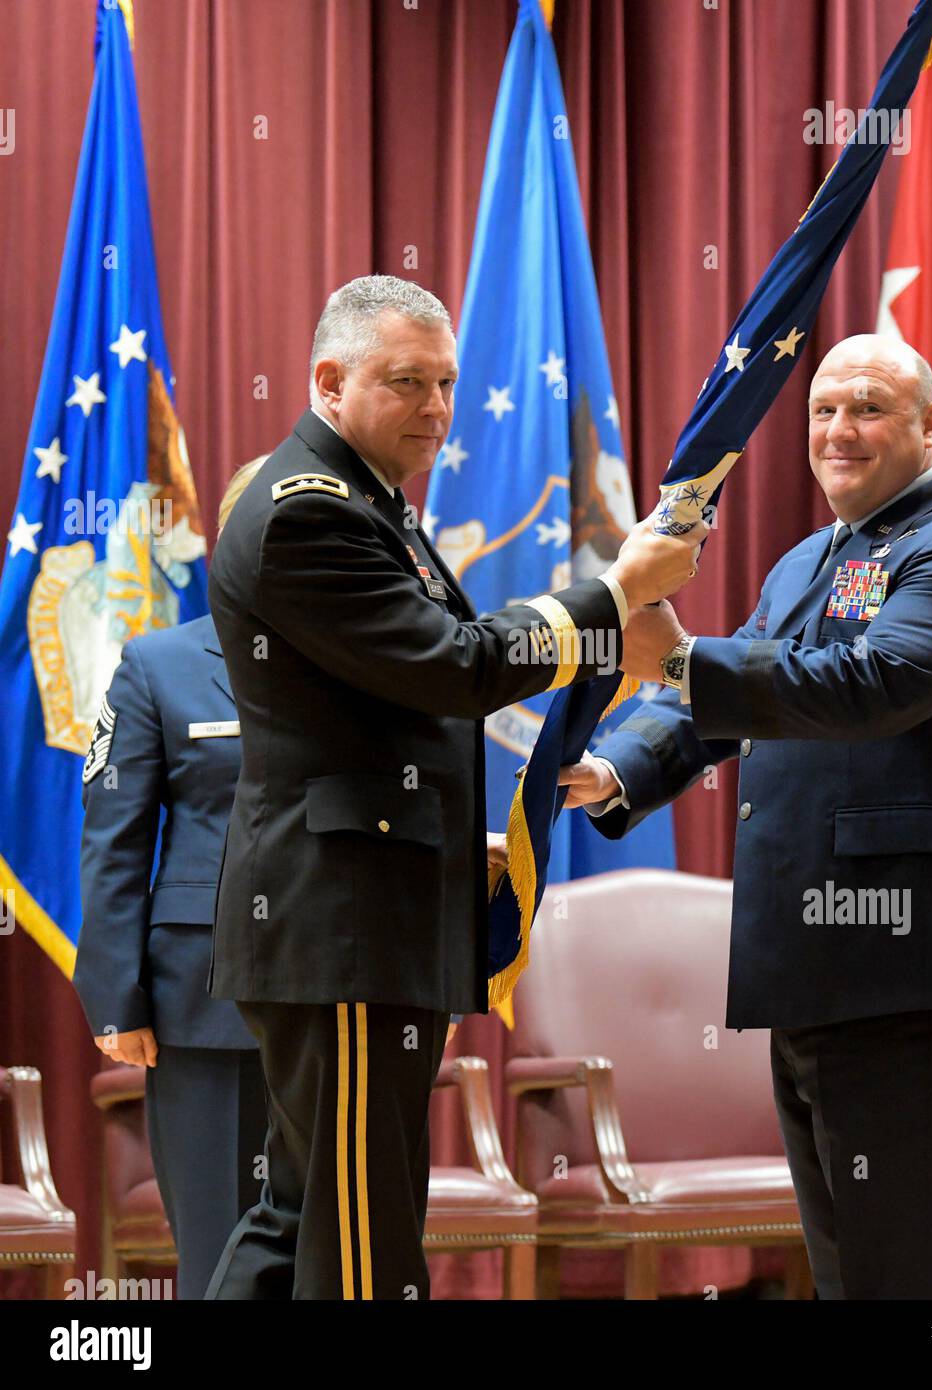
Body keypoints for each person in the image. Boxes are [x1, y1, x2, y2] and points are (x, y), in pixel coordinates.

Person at [204, 274, 703, 1301]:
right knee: (358, 1236)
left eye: (444, 383)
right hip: (342, 923)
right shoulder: (311, 515)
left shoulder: (371, 507)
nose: (436, 409)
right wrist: (609, 596)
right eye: (406, 383)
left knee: (298, 1215)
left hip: (367, 903)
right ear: (328, 382)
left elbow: (399, 701)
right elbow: (454, 668)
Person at [562, 334, 932, 1300]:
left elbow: (869, 684)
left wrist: (679, 660)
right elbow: (730, 695)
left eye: (866, 407)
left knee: (898, 1275)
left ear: (929, 425)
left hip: (902, 968)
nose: (838, 431)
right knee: (845, 1272)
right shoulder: (804, 565)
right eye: (822, 411)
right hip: (812, 967)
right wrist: (609, 771)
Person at [74, 458, 270, 1300]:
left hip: (353, 992)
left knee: (349, 1247)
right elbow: (115, 839)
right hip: (207, 1003)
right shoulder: (158, 665)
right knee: (225, 1255)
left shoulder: (380, 662)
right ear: (238, 541)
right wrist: (118, 994)